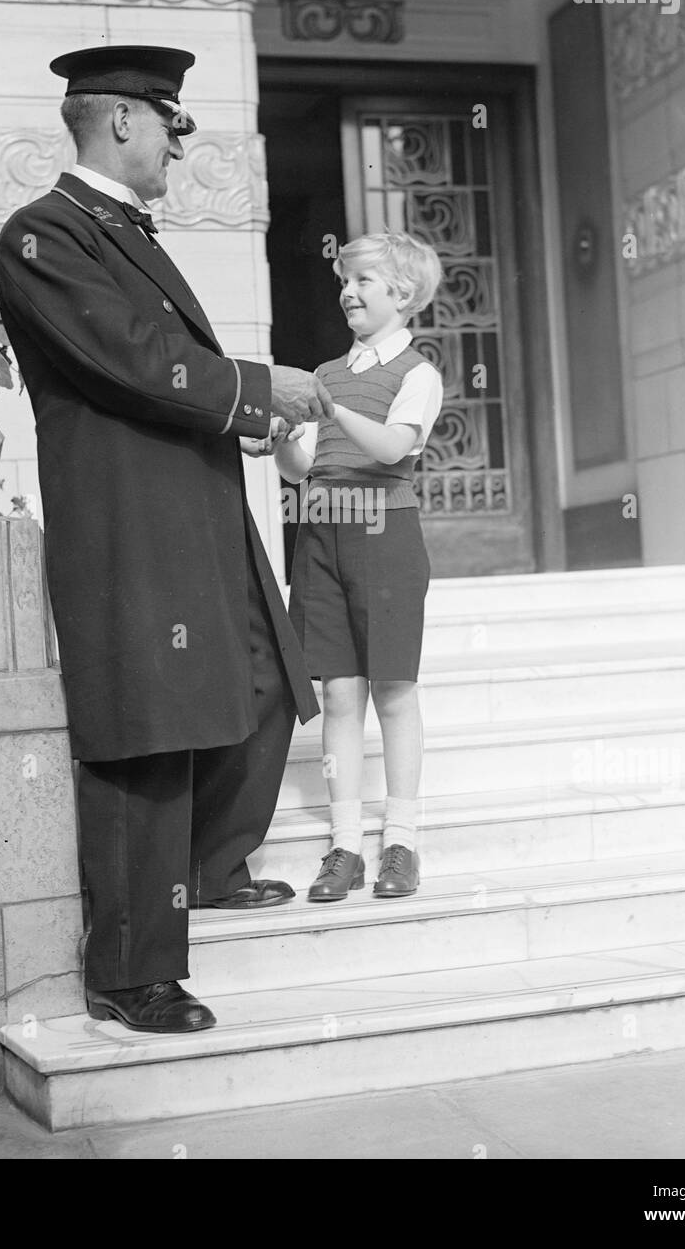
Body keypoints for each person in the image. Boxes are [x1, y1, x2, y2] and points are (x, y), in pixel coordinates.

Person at [0, 44, 334, 1035]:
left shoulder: (113, 229)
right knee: (146, 728)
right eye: (172, 125)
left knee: (268, 678)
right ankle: (131, 972)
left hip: (193, 503)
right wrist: (257, 387)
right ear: (126, 122)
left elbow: (166, 369)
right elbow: (139, 362)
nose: (180, 147)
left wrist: (247, 415)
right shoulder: (43, 235)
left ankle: (209, 867)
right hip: (128, 523)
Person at [271, 232, 444, 902]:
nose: (347, 290)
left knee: (392, 689)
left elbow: (392, 448)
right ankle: (343, 845)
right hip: (323, 536)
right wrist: (289, 436)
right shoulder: (326, 375)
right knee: (339, 693)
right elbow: (303, 466)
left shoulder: (416, 376)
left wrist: (329, 407)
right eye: (344, 280)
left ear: (401, 295)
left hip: (385, 537)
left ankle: (400, 839)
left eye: (363, 280)